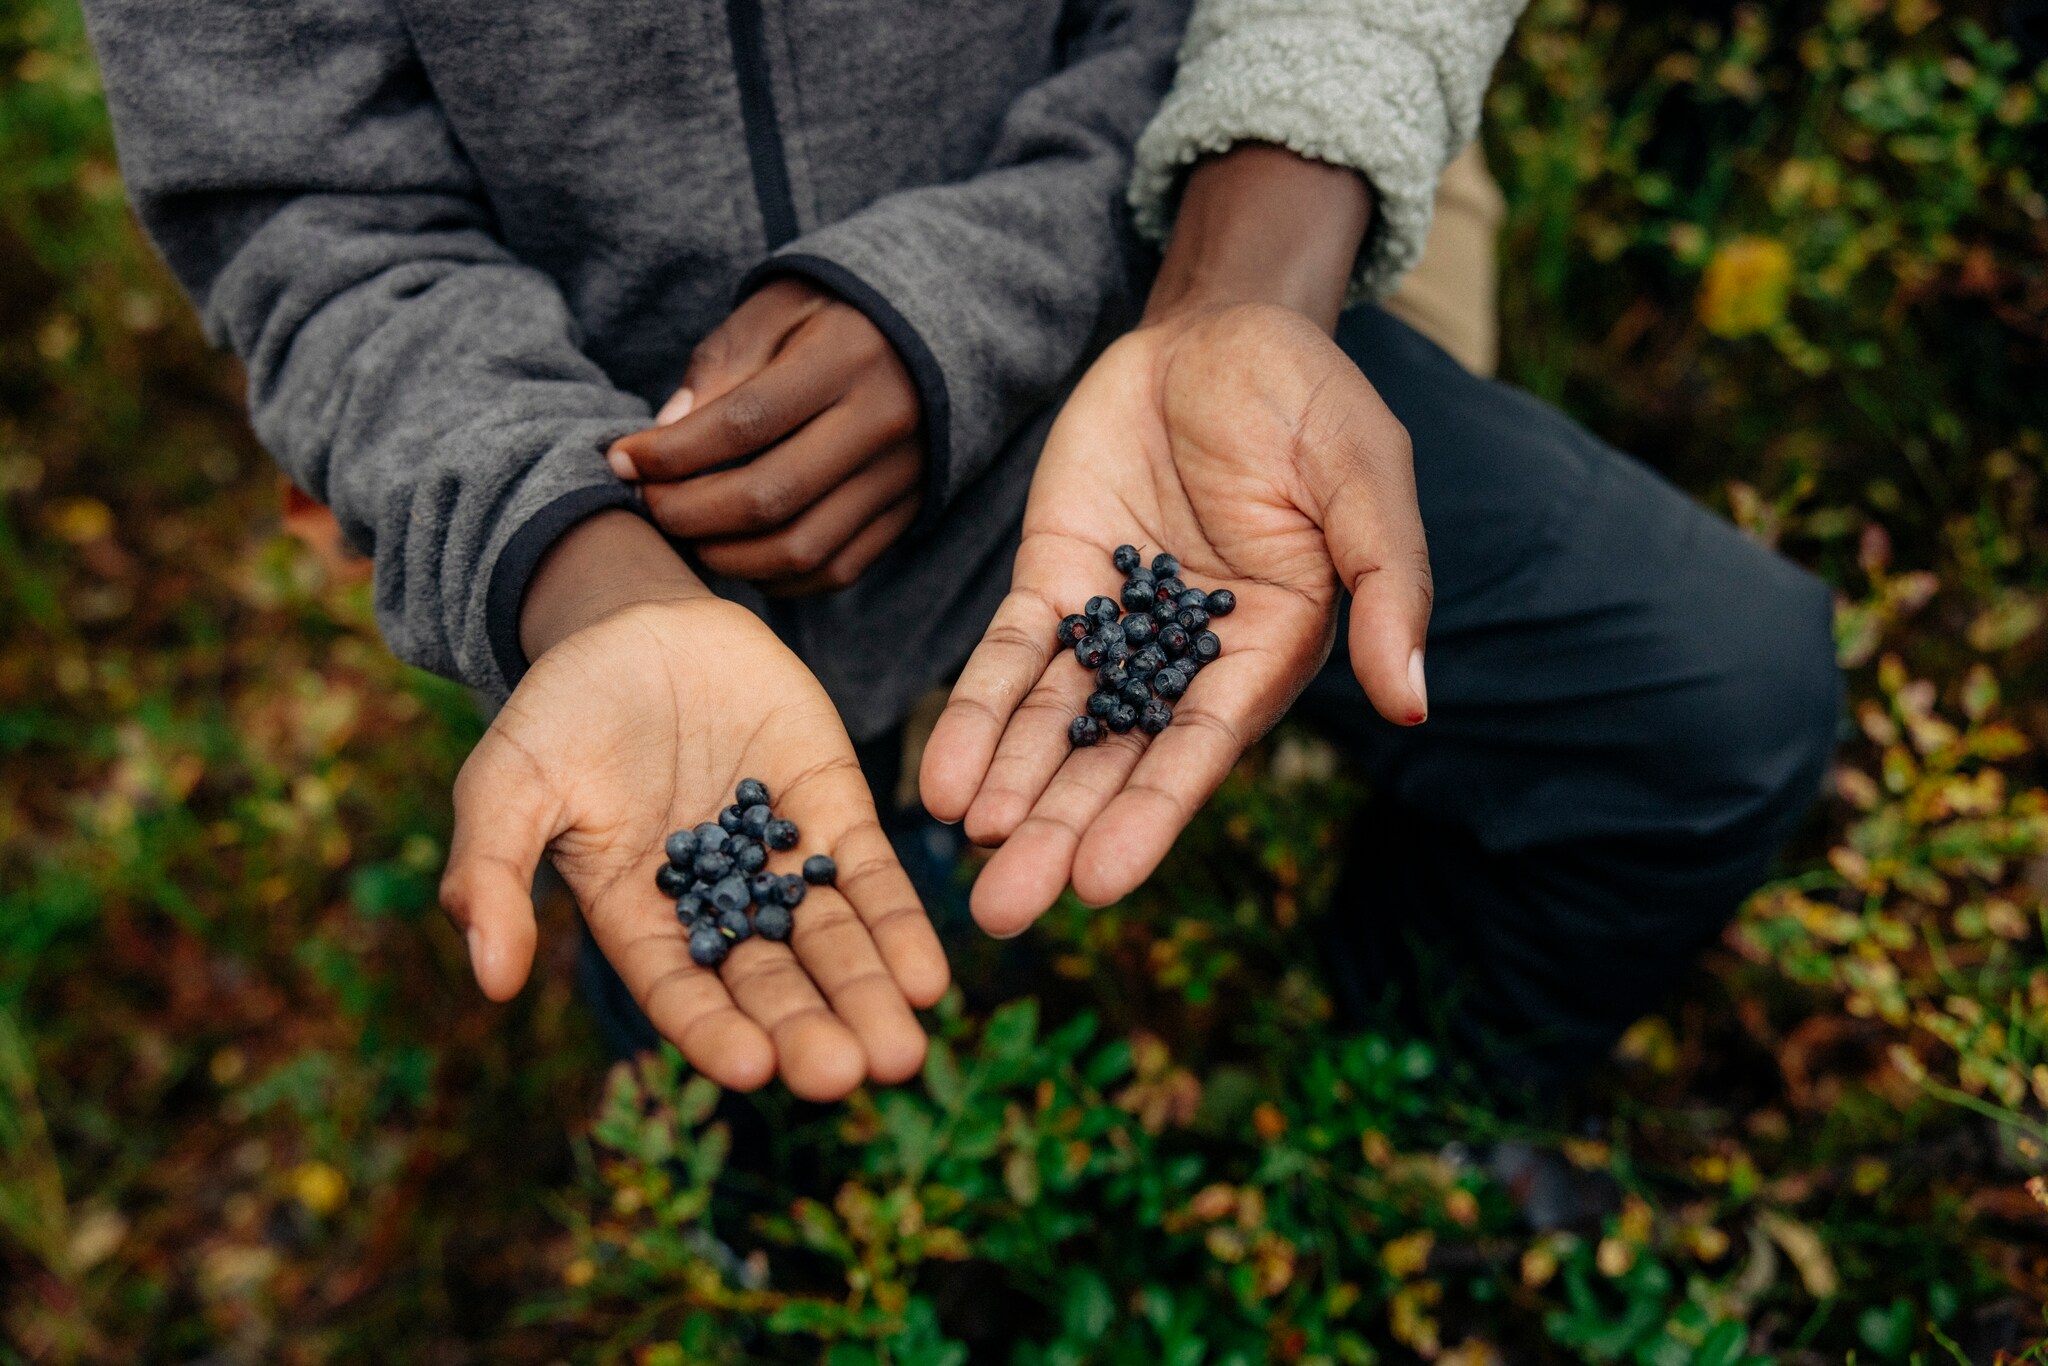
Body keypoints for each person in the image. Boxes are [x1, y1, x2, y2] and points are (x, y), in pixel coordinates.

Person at [920, 0, 1844, 1090]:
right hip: (716, 488)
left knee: (1724, 683)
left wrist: (1237, 291)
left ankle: (1410, 1103)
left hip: (1225, 212)